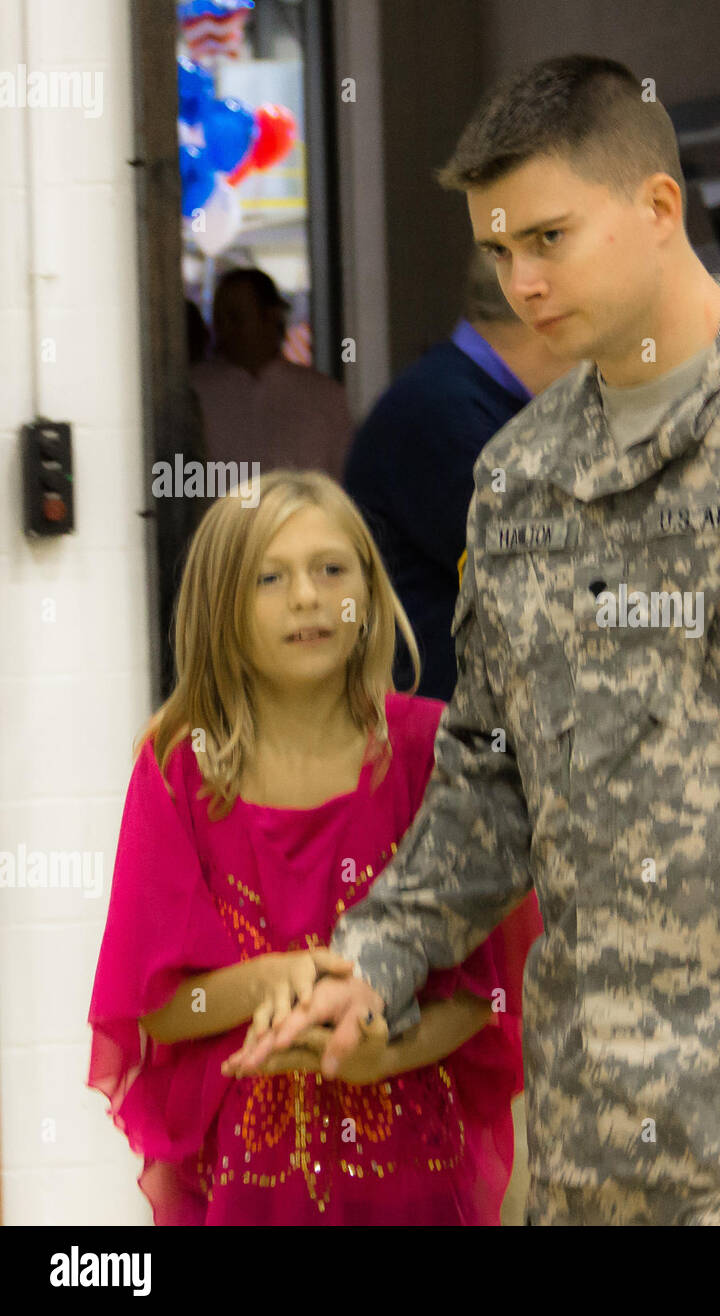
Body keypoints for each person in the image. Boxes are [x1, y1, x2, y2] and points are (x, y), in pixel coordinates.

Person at [230, 53, 720, 1228]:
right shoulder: (521, 477)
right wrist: (377, 955)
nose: (522, 280)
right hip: (594, 1130)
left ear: (660, 209)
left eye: (549, 238)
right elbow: (489, 772)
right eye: (502, 251)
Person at [87, 470, 532, 1224]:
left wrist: (379, 1055)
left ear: (370, 590)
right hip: (243, 1193)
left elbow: (478, 994)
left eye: (332, 570)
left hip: (419, 1186)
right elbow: (161, 1005)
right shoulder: (180, 769)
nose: (306, 597)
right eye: (270, 577)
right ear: (221, 608)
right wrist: (277, 978)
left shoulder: (438, 748)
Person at [345, 250, 576, 701]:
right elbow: (552, 576)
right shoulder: (443, 413)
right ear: (542, 316)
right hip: (441, 732)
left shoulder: (477, 397)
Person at [190, 268, 353, 480]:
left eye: (236, 318)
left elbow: (344, 479)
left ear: (270, 316)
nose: (225, 330)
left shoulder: (323, 397)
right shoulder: (196, 392)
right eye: (220, 320)